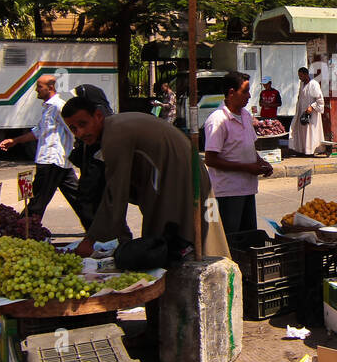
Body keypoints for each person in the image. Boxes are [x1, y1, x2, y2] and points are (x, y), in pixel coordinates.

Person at [61, 98, 230, 260]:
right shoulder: (116, 127)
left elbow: (115, 195)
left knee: (167, 239)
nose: (80, 133)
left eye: (83, 124)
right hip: (181, 168)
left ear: (98, 116)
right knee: (184, 227)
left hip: (177, 173)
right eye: (74, 129)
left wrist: (90, 240)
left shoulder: (114, 134)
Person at [0, 74, 82, 226]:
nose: (37, 90)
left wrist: (79, 150)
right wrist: (15, 141)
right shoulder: (48, 108)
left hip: (52, 161)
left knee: (38, 200)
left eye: (39, 87)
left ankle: (25, 230)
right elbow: (38, 131)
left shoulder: (58, 106)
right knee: (77, 199)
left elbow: (74, 129)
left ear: (50, 88)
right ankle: (97, 227)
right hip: (58, 162)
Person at [204, 72, 274, 243]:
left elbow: (249, 148)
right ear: (231, 93)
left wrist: (261, 162)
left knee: (248, 239)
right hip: (228, 192)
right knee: (231, 241)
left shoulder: (245, 116)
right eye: (245, 91)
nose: (249, 96)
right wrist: (246, 167)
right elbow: (211, 160)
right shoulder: (217, 120)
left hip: (247, 188)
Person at [70, 83, 112, 226]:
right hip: (94, 166)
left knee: (92, 203)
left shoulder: (98, 113)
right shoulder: (99, 110)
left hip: (97, 167)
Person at [290, 66, 325, 157]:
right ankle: (303, 149)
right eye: (299, 76)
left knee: (311, 132)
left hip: (312, 113)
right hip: (302, 112)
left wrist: (312, 107)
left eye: (301, 76)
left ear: (306, 75)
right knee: (302, 131)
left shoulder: (314, 84)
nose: (299, 78)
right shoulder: (302, 84)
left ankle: (311, 151)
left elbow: (319, 99)